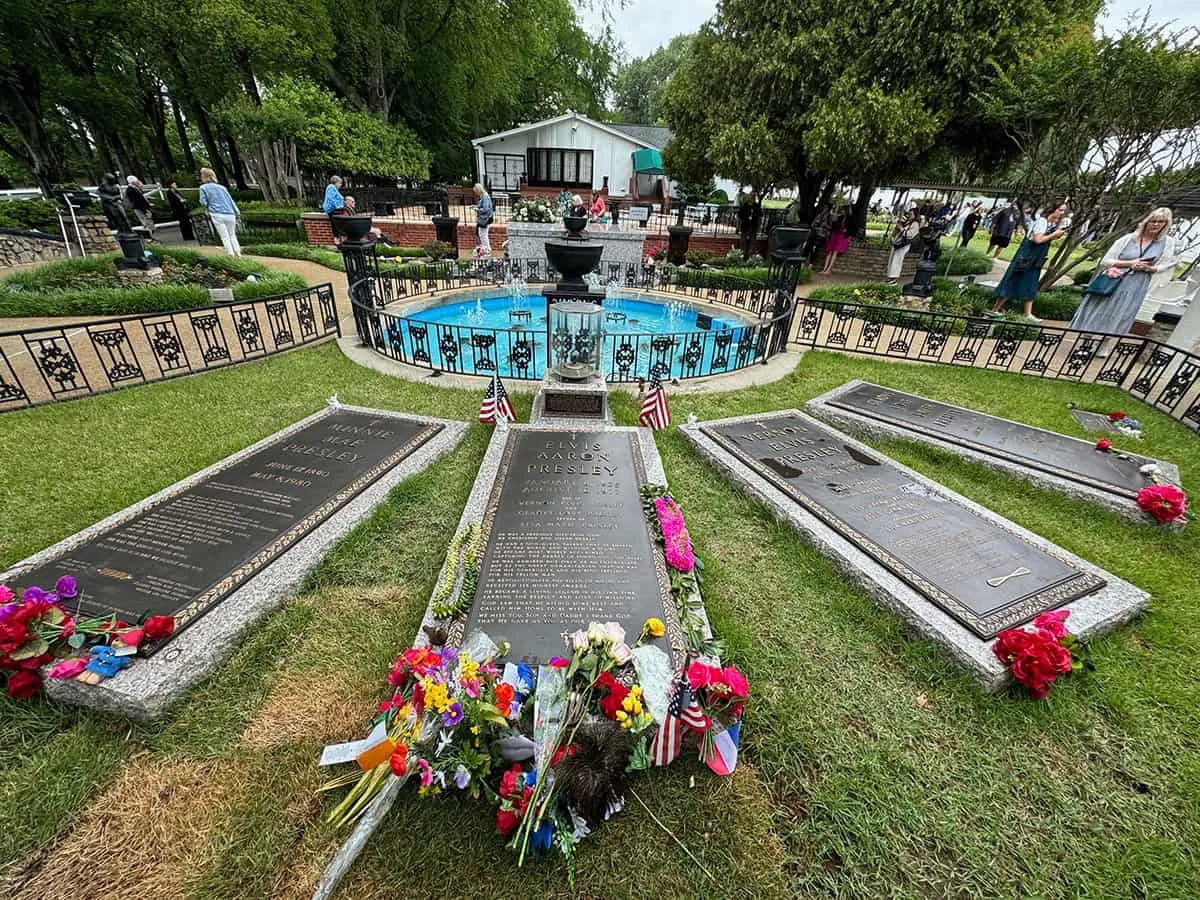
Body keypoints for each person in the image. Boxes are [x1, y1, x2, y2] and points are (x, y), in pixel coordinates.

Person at [1069, 208, 1176, 355]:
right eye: (1154, 221)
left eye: (1161, 222)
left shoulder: (1167, 243)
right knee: (1100, 309)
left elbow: (1167, 264)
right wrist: (1129, 263)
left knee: (1121, 312)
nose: (1156, 225)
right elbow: (1106, 260)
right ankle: (1087, 342)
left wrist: (1149, 269)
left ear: (1166, 225)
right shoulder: (1128, 239)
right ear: (1147, 221)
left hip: (1136, 283)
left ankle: (1104, 342)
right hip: (1113, 279)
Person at [989, 199, 1070, 320]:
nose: (1062, 213)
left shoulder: (1053, 224)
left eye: (1064, 210)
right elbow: (1038, 239)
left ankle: (1028, 313)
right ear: (1053, 209)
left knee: (1031, 282)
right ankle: (995, 309)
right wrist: (1054, 235)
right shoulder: (1042, 222)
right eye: (1060, 210)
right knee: (1014, 280)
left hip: (1037, 257)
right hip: (1027, 256)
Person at [198, 167, 242, 256]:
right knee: (232, 235)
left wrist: (207, 207)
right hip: (230, 214)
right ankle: (238, 253)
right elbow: (230, 200)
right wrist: (237, 212)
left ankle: (231, 255)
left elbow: (203, 202)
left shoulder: (203, 188)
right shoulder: (222, 188)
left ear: (204, 176)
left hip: (216, 213)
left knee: (225, 237)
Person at [887, 209, 921, 284]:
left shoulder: (915, 224)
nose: (909, 216)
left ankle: (894, 278)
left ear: (915, 215)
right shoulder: (907, 222)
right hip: (897, 243)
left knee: (897, 261)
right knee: (892, 259)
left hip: (903, 245)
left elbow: (910, 235)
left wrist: (901, 229)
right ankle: (890, 276)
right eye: (909, 214)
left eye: (911, 214)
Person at [820, 205, 851, 275]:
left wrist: (847, 233)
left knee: (835, 252)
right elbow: (834, 226)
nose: (842, 211)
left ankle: (829, 270)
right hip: (836, 234)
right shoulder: (840, 217)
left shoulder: (850, 219)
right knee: (829, 251)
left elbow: (851, 229)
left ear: (846, 210)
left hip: (843, 236)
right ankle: (824, 269)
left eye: (843, 210)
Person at [737, 190, 761, 258]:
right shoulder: (744, 206)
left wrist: (759, 228)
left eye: (753, 197)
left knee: (752, 242)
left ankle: (750, 256)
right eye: (750, 197)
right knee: (743, 242)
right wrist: (738, 227)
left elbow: (759, 217)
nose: (751, 199)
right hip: (744, 227)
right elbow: (739, 217)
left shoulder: (757, 206)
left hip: (753, 227)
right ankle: (742, 255)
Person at [474, 182, 494, 258]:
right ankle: (486, 249)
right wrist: (476, 206)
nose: (476, 194)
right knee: (481, 234)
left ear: (479, 190)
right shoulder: (484, 196)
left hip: (485, 219)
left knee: (483, 235)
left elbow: (485, 209)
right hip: (484, 219)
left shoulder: (485, 197)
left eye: (476, 192)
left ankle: (487, 250)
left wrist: (477, 209)